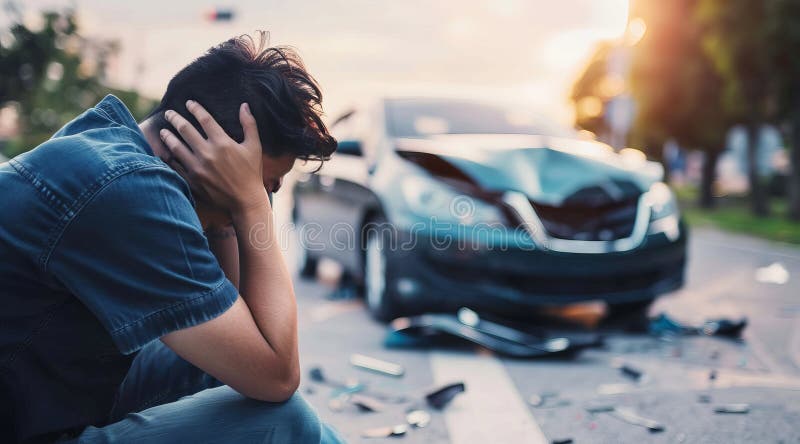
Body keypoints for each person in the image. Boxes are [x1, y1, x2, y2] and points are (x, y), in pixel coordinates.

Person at [0, 32, 344, 443]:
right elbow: (278, 374)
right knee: (289, 422)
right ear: (215, 151)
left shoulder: (110, 141)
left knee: (218, 359)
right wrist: (249, 204)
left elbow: (244, 325)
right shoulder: (128, 191)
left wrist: (230, 213)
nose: (268, 197)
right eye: (269, 183)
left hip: (40, 395)